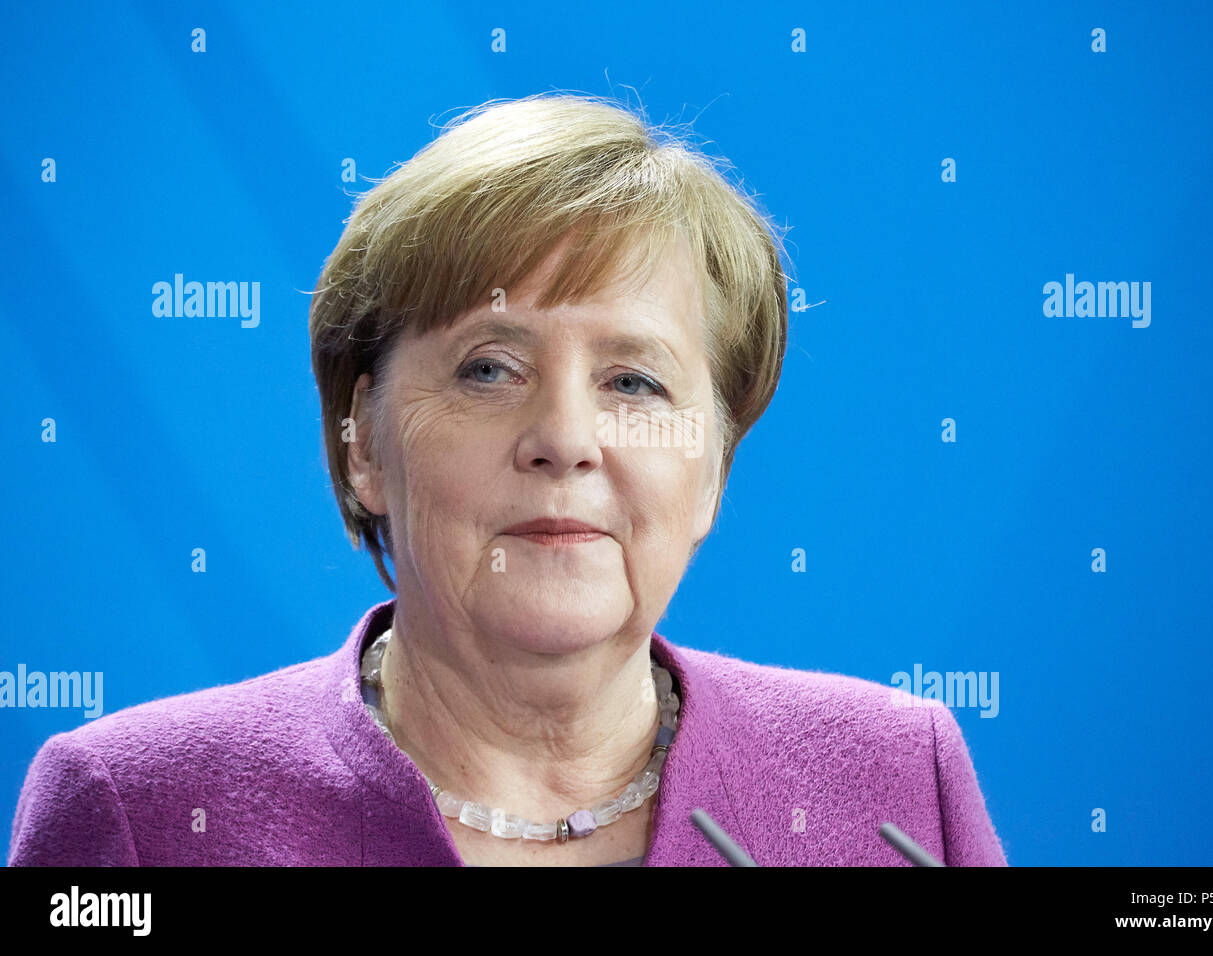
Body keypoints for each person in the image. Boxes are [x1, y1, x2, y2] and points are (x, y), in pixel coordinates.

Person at [7, 92, 1007, 866]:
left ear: (710, 469)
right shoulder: (138, 809)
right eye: (489, 368)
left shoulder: (894, 779)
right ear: (363, 443)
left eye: (633, 379)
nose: (565, 438)